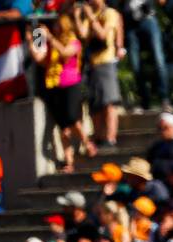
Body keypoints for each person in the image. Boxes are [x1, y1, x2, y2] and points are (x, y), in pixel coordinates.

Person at [30, 13, 96, 173]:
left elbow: (66, 54)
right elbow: (41, 60)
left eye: (57, 25)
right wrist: (34, 39)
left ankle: (87, 143)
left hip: (71, 84)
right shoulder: (52, 41)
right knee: (63, 127)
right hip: (54, 85)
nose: (54, 27)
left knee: (72, 117)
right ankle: (69, 162)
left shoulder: (74, 41)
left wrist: (51, 38)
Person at [76, 0, 125, 148]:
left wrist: (91, 17)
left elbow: (103, 34)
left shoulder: (110, 13)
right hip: (91, 65)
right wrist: (77, 16)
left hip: (106, 62)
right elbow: (83, 34)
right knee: (95, 105)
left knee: (109, 103)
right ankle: (99, 137)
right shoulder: (91, 14)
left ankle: (110, 138)